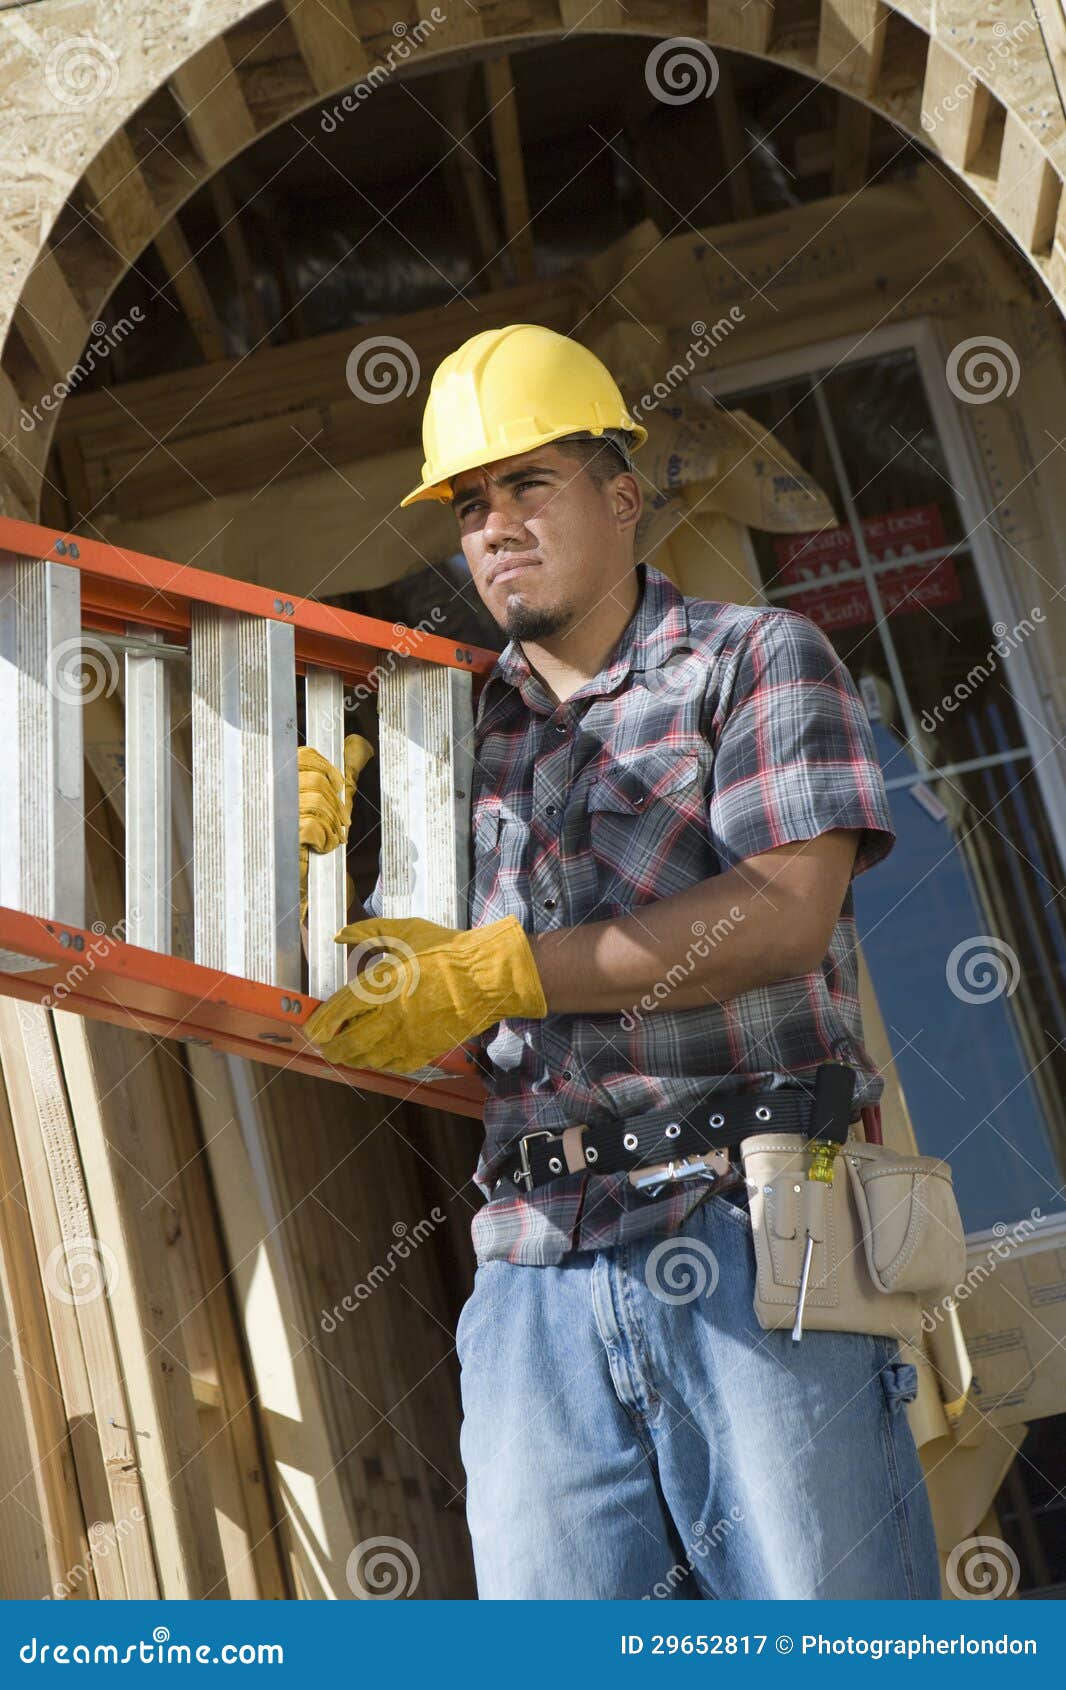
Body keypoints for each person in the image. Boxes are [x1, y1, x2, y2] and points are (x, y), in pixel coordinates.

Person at [299, 324, 942, 1601]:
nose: (494, 525)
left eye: (529, 483)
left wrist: (504, 974)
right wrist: (300, 857)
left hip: (754, 1227)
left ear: (621, 494)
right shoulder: (445, 735)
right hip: (532, 1268)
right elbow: (370, 1002)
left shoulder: (752, 659)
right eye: (470, 502)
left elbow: (773, 916)